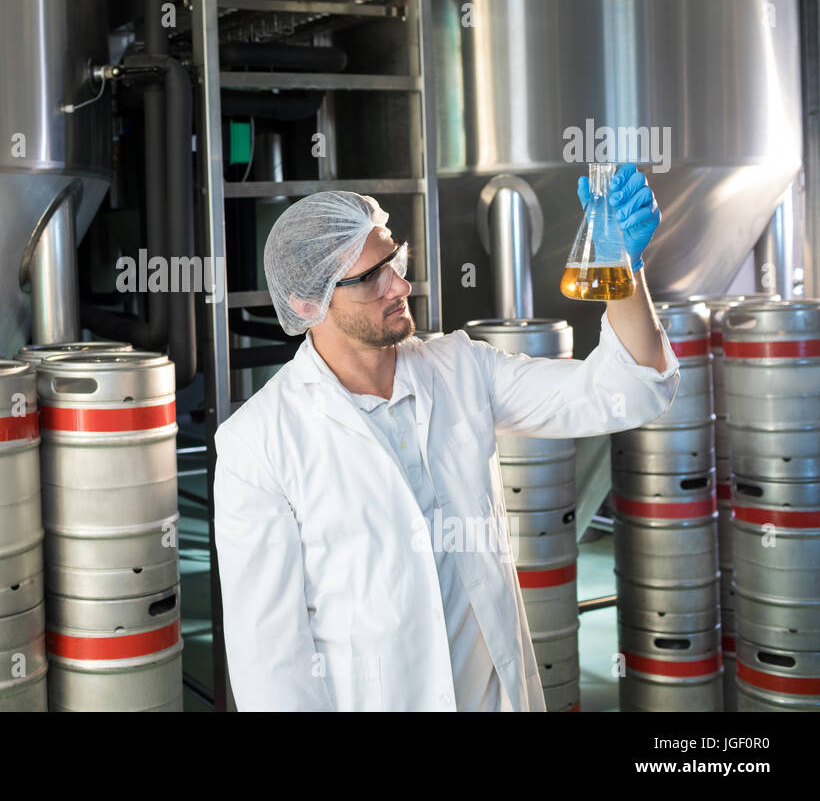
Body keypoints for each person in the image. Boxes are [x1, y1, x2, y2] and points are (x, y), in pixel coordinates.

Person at [213, 163, 678, 711]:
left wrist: (623, 269)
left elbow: (625, 390)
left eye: (396, 262)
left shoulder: (460, 368)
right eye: (370, 277)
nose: (401, 286)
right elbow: (270, 663)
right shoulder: (258, 443)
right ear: (306, 302)